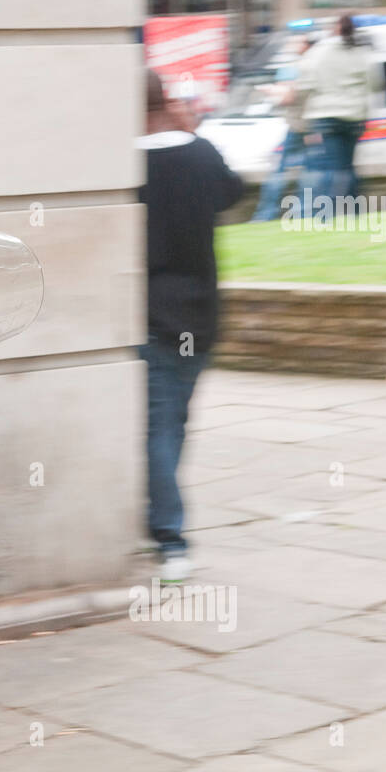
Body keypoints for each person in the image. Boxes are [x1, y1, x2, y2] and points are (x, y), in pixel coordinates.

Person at [137, 70, 244, 583]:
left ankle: (169, 535)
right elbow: (231, 192)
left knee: (158, 426)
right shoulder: (201, 153)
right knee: (174, 421)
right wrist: (192, 130)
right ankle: (159, 517)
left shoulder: (127, 165)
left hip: (150, 314)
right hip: (202, 311)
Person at [295, 13, 378, 217]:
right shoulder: (361, 51)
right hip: (355, 115)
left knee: (333, 167)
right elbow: (375, 82)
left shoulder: (320, 51)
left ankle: (331, 213)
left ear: (334, 29)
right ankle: (354, 211)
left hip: (326, 115)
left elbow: (305, 82)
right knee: (347, 165)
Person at [251, 34, 314, 223]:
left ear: (306, 44)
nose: (292, 44)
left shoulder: (302, 66)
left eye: (296, 41)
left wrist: (270, 91)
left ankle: (266, 214)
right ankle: (303, 213)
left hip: (298, 127)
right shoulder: (312, 64)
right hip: (311, 127)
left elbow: (288, 97)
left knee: (279, 171)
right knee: (309, 171)